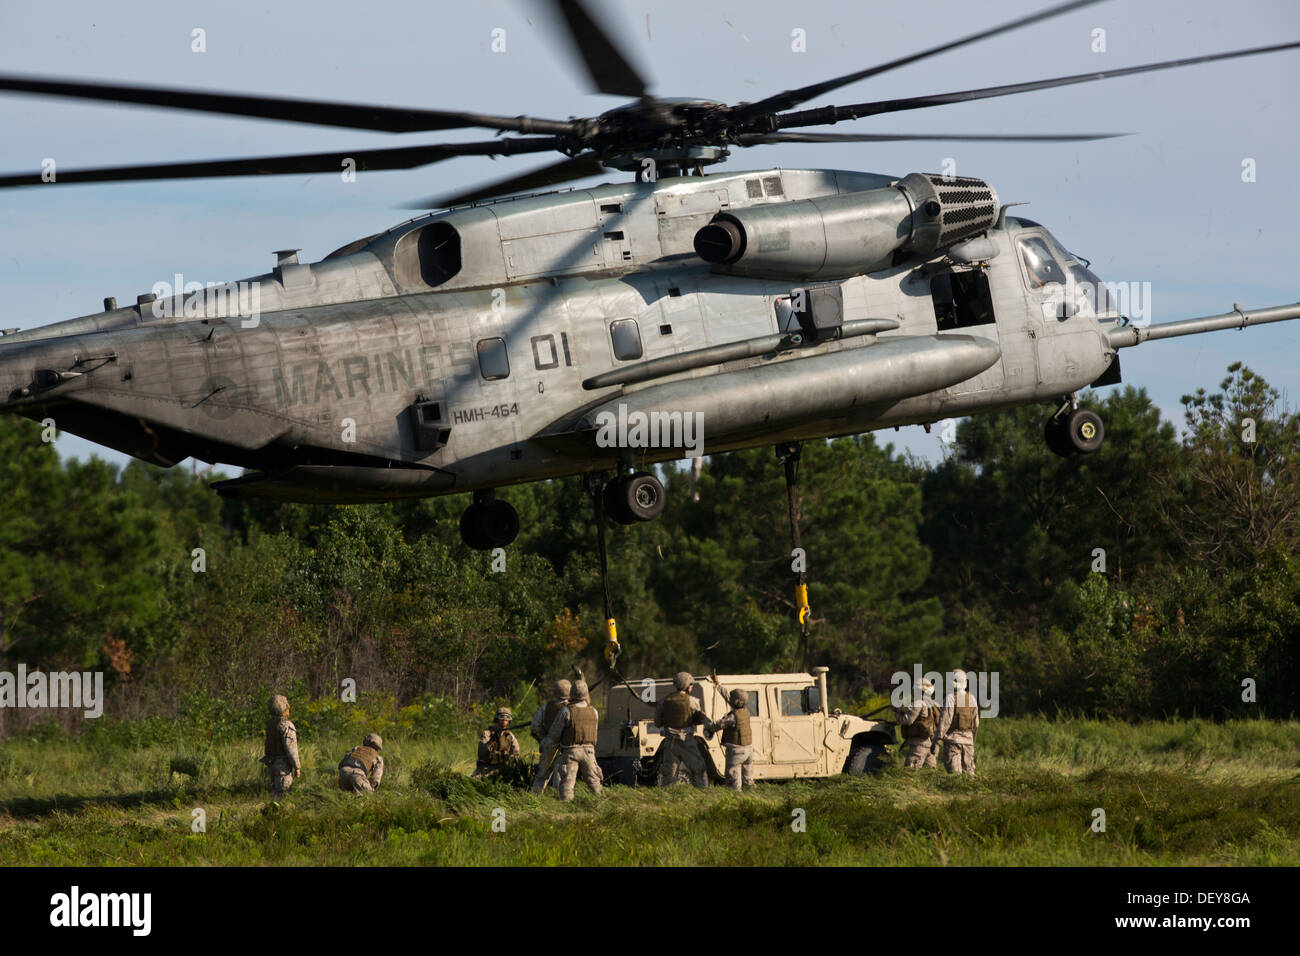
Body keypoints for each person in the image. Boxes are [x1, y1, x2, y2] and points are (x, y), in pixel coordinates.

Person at [547, 681, 603, 800]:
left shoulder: (566, 711)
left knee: (567, 783)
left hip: (570, 751)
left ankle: (567, 809)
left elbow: (554, 733)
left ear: (572, 693)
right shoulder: (594, 711)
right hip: (589, 751)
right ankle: (599, 805)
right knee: (594, 781)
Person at [654, 671, 709, 788]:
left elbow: (657, 722)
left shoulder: (664, 701)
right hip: (687, 741)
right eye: (691, 685)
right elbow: (700, 718)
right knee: (699, 770)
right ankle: (704, 795)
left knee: (669, 774)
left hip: (670, 742)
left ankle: (666, 799)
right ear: (687, 686)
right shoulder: (693, 701)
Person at [707, 671, 754, 791]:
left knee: (733, 780)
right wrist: (718, 684)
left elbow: (718, 725)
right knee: (747, 779)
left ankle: (736, 801)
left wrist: (708, 725)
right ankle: (752, 797)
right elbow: (729, 698)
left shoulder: (733, 717)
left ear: (735, 702)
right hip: (749, 750)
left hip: (737, 751)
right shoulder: (745, 712)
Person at [531, 679, 571, 794]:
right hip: (565, 747)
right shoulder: (572, 708)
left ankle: (534, 797)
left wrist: (543, 739)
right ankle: (558, 801)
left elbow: (535, 726)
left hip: (549, 744)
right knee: (561, 775)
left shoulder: (546, 707)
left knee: (542, 774)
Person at [937, 669, 979, 777]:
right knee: (969, 774)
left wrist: (937, 739)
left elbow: (945, 721)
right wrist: (972, 739)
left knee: (955, 774)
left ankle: (955, 793)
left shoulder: (950, 697)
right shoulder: (971, 698)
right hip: (968, 741)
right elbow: (976, 723)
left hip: (953, 741)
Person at [895, 678, 940, 769]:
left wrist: (896, 712)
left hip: (919, 744)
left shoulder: (918, 702)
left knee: (910, 772)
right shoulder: (935, 704)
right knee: (929, 774)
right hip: (932, 744)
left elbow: (907, 720)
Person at [261, 694, 300, 798]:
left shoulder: (271, 724)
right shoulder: (286, 726)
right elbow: (291, 748)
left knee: (274, 794)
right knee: (283, 795)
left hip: (271, 764)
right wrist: (297, 767)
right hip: (283, 767)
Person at [474, 707, 521, 779]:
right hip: (486, 769)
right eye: (502, 717)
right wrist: (492, 740)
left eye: (507, 717)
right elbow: (482, 752)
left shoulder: (510, 736)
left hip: (502, 769)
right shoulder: (487, 733)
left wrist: (507, 757)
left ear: (509, 720)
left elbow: (516, 754)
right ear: (497, 719)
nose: (504, 719)